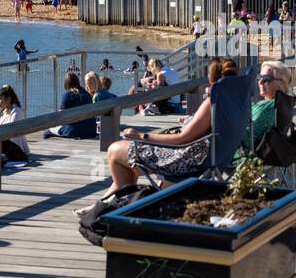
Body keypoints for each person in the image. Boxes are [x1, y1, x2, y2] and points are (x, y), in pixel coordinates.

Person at [93, 58, 235, 204]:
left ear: (210, 77)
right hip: (211, 158)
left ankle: (109, 204)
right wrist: (190, 120)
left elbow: (182, 138)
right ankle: (104, 204)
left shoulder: (213, 102)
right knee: (128, 164)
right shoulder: (234, 101)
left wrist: (142, 135)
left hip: (184, 159)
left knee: (114, 150)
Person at [240, 61, 296, 190]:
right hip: (271, 150)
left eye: (266, 79)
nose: (260, 83)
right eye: (259, 78)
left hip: (247, 152)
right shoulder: (283, 104)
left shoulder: (269, 107)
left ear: (281, 82)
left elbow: (246, 137)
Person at [46, 72, 96, 139]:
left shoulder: (67, 94)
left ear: (66, 83)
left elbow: (61, 115)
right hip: (90, 130)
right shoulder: (87, 94)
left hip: (73, 131)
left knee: (47, 132)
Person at [0, 85, 30, 162]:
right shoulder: (4, 112)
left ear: (8, 99)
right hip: (5, 145)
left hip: (15, 149)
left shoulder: (16, 112)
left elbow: (14, 137)